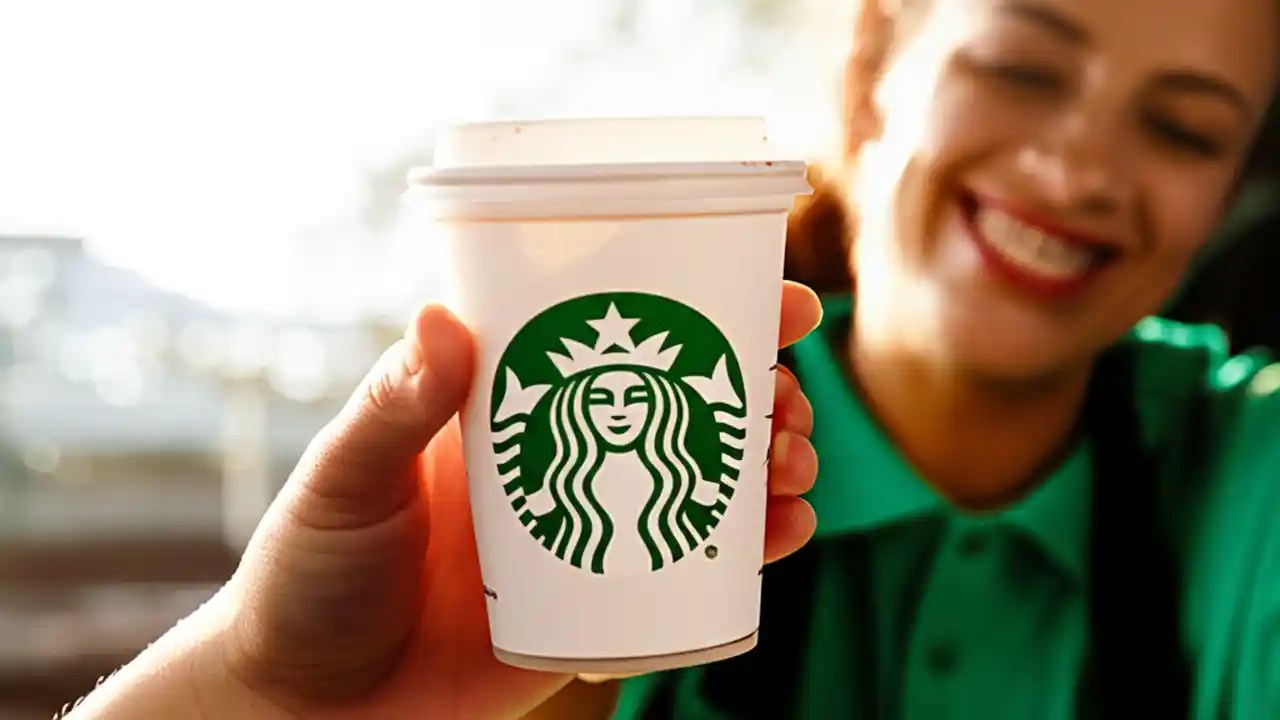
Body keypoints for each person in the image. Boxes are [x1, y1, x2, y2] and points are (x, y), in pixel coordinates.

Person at [70, 0, 1280, 716]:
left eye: (1183, 129)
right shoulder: (518, 530)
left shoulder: (1248, 473)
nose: (1076, 171)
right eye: (1018, 67)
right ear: (870, 71)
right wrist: (262, 688)